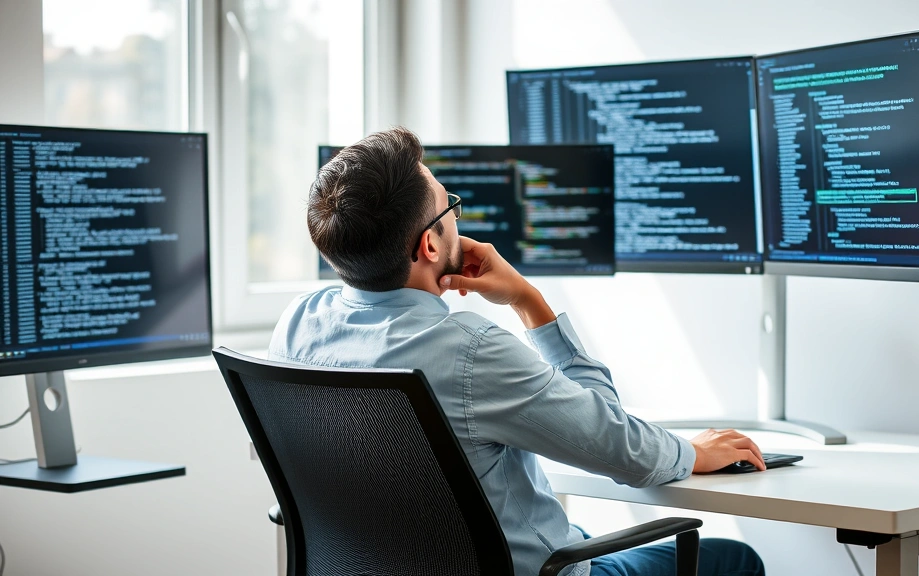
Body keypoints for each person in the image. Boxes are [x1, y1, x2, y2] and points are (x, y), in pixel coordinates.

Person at [269, 126, 767, 576]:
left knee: (586, 540)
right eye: (450, 209)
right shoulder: (469, 352)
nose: (456, 220)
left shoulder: (297, 325)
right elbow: (617, 445)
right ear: (430, 246)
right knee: (735, 559)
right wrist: (528, 300)